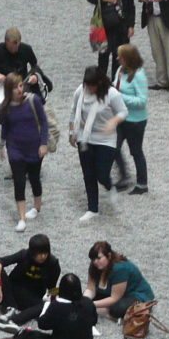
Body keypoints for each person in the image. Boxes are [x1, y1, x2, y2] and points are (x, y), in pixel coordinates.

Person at [68, 66, 127, 222]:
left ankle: (110, 186)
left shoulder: (112, 94)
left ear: (100, 82)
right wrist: (72, 132)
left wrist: (113, 121)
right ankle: (92, 208)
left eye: (92, 85)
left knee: (101, 174)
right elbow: (74, 111)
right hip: (85, 138)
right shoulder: (80, 91)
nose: (89, 88)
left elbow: (123, 111)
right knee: (88, 175)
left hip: (106, 140)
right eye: (87, 85)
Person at [0, 73, 49, 230]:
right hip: (15, 148)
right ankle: (22, 218)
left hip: (34, 146)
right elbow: (5, 127)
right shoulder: (4, 108)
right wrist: (1, 145)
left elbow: (44, 121)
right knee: (19, 181)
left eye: (20, 85)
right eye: (14, 87)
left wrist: (43, 143)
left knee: (34, 178)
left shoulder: (34, 100)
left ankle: (37, 206)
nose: (19, 90)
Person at [17, 273, 98, 339]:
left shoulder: (56, 307)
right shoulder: (88, 303)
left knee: (29, 338)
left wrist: (46, 307)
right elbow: (93, 321)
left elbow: (42, 325)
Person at [0, 234, 61, 327]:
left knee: (46, 306)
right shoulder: (24, 255)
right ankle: (11, 310)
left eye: (45, 253)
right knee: (0, 272)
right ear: (32, 252)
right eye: (39, 253)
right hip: (12, 291)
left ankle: (15, 318)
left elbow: (52, 287)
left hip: (31, 297)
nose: (43, 256)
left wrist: (53, 305)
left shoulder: (53, 263)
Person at [87, 0, 135, 74]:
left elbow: (130, 4)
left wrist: (131, 25)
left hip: (121, 23)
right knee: (103, 54)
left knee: (119, 56)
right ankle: (102, 81)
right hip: (105, 23)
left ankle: (116, 83)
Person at [112, 44, 150, 195]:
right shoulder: (120, 71)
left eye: (120, 56)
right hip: (120, 117)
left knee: (136, 151)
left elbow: (142, 101)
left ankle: (142, 184)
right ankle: (124, 177)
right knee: (113, 148)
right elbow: (115, 86)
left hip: (135, 121)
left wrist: (120, 96)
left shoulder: (139, 75)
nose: (117, 59)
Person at [86, 240, 154, 320]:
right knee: (85, 297)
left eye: (99, 258)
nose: (95, 262)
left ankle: (107, 312)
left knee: (116, 309)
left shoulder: (120, 269)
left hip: (135, 294)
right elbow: (90, 289)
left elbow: (114, 298)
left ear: (109, 256)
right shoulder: (94, 266)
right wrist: (84, 301)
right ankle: (102, 309)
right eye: (93, 259)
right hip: (113, 291)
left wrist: (91, 304)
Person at [0, 28, 51, 94]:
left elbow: (35, 66)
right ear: (6, 42)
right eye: (10, 47)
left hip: (23, 89)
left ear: (19, 42)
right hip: (4, 91)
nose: (14, 50)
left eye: (16, 47)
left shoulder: (26, 49)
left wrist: (34, 76)